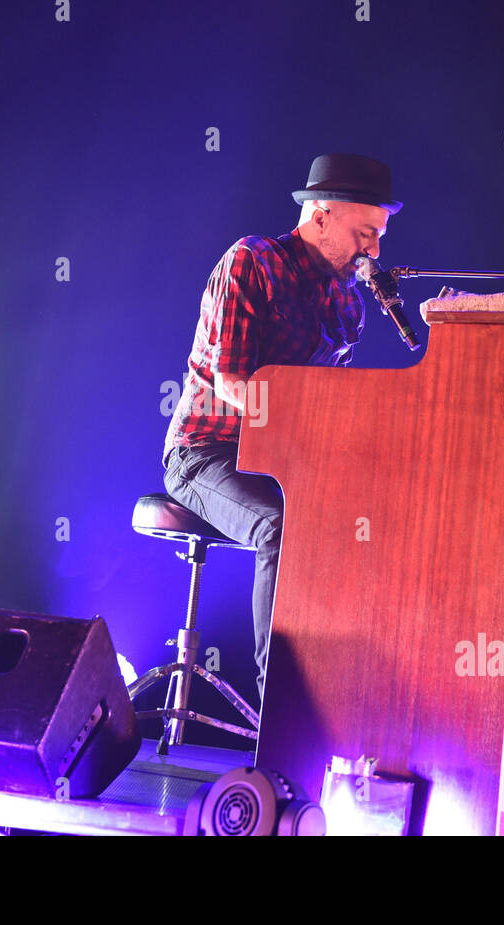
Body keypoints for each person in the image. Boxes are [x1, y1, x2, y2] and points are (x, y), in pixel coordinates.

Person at [161, 153, 401, 701]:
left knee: (371, 524)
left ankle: (345, 699)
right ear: (319, 216)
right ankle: (279, 711)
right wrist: (299, 439)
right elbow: (231, 380)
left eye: (380, 235)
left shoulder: (350, 304)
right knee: (279, 525)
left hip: (284, 461)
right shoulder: (252, 261)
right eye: (365, 233)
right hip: (206, 453)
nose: (375, 250)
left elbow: (330, 403)